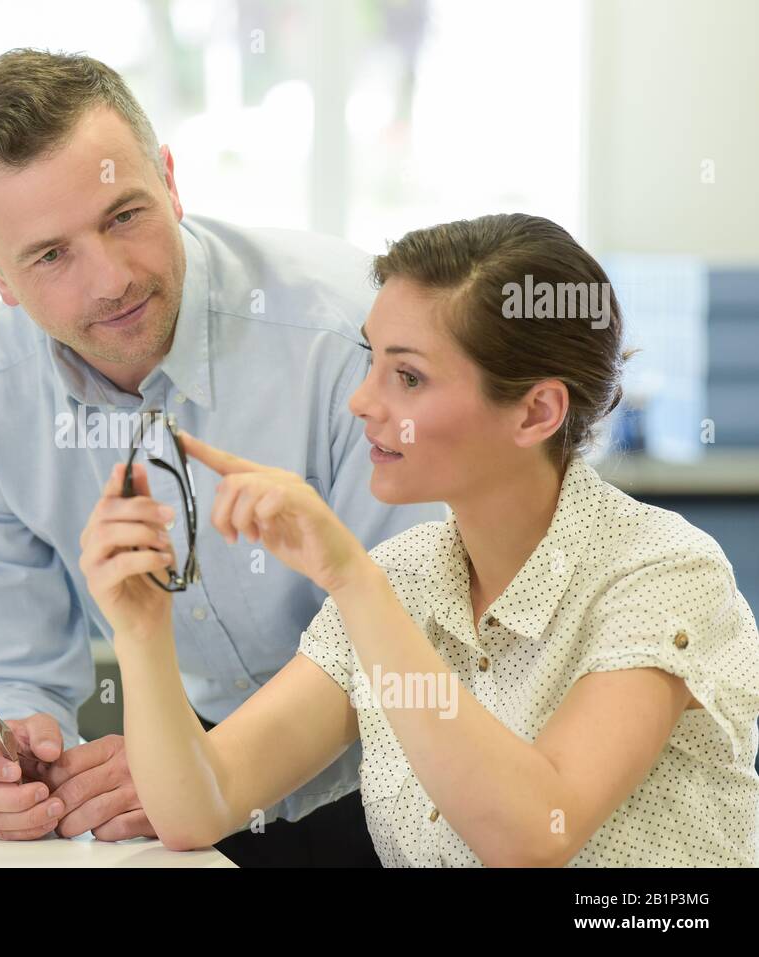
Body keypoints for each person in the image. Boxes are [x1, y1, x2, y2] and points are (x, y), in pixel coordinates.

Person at [79, 213, 759, 866]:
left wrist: (352, 580)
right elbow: (203, 802)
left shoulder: (664, 573)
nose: (363, 402)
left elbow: (533, 835)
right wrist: (141, 631)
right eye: (371, 360)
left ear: (536, 411)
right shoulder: (403, 574)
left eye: (407, 376)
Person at [0, 48, 444, 863]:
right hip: (200, 807)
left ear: (169, 178)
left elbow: (411, 637)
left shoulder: (350, 339)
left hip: (419, 787)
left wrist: (207, 768)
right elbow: (5, 664)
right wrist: (15, 754)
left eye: (124, 215)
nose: (111, 281)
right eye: (51, 256)